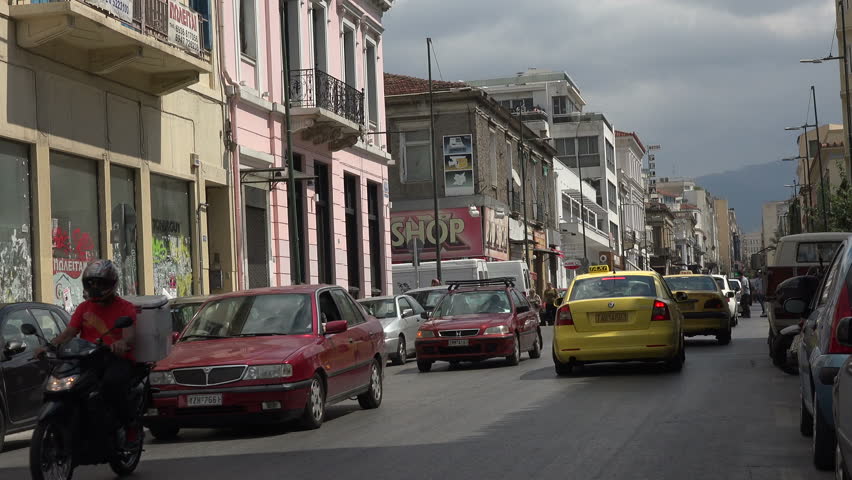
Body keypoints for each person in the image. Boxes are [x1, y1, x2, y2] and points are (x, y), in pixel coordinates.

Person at [37, 260, 138, 446]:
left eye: (101, 283)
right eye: (92, 283)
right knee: (63, 383)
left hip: (114, 358)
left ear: (112, 283)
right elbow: (69, 333)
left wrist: (121, 343)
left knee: (111, 385)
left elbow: (130, 336)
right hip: (86, 358)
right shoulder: (84, 308)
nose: (96, 287)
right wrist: (50, 346)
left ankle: (129, 426)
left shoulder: (125, 307)